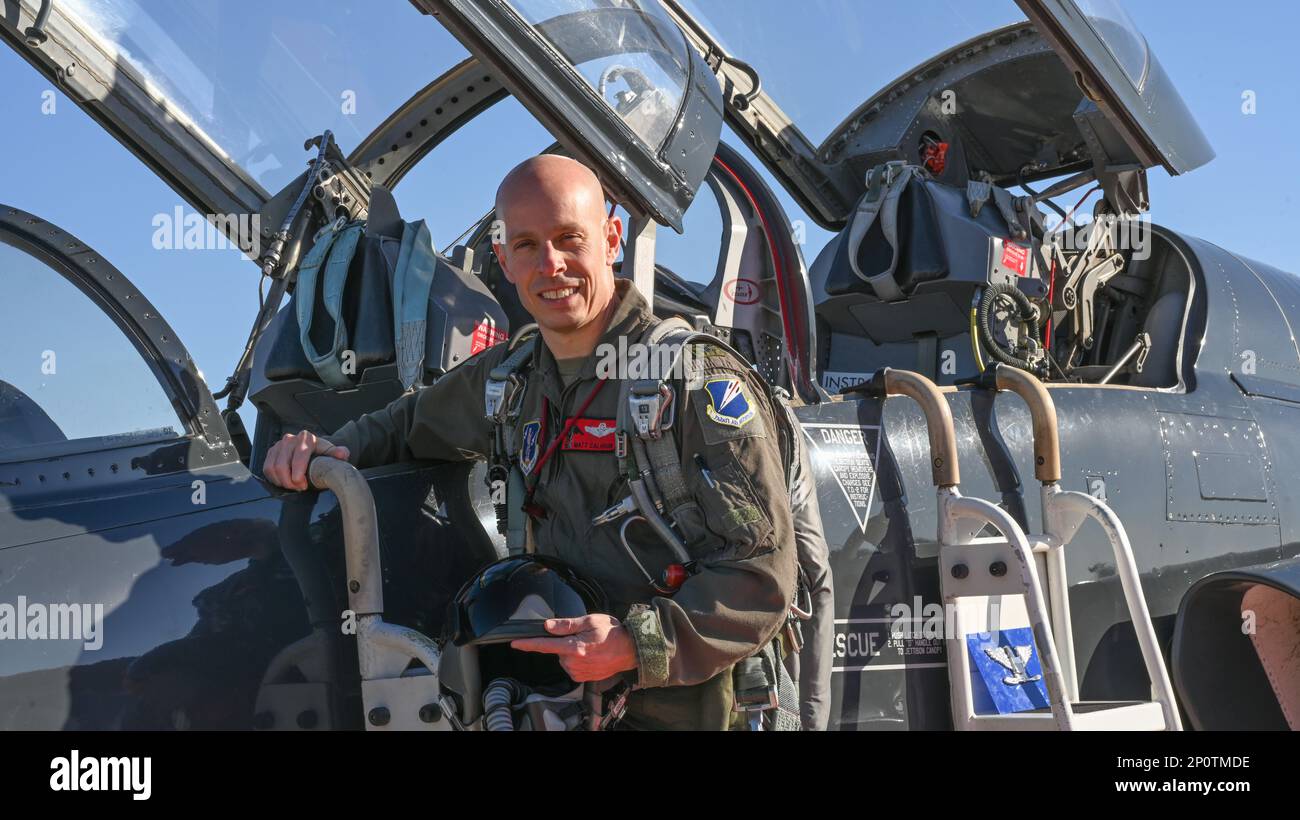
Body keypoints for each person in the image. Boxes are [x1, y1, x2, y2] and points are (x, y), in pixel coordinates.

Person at [262, 154, 798, 730]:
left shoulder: (693, 382)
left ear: (611, 238)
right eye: (527, 245)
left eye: (571, 238)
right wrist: (318, 454)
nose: (552, 264)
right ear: (504, 259)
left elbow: (762, 577)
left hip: (693, 710)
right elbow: (403, 425)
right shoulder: (510, 380)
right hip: (567, 706)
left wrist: (633, 642)